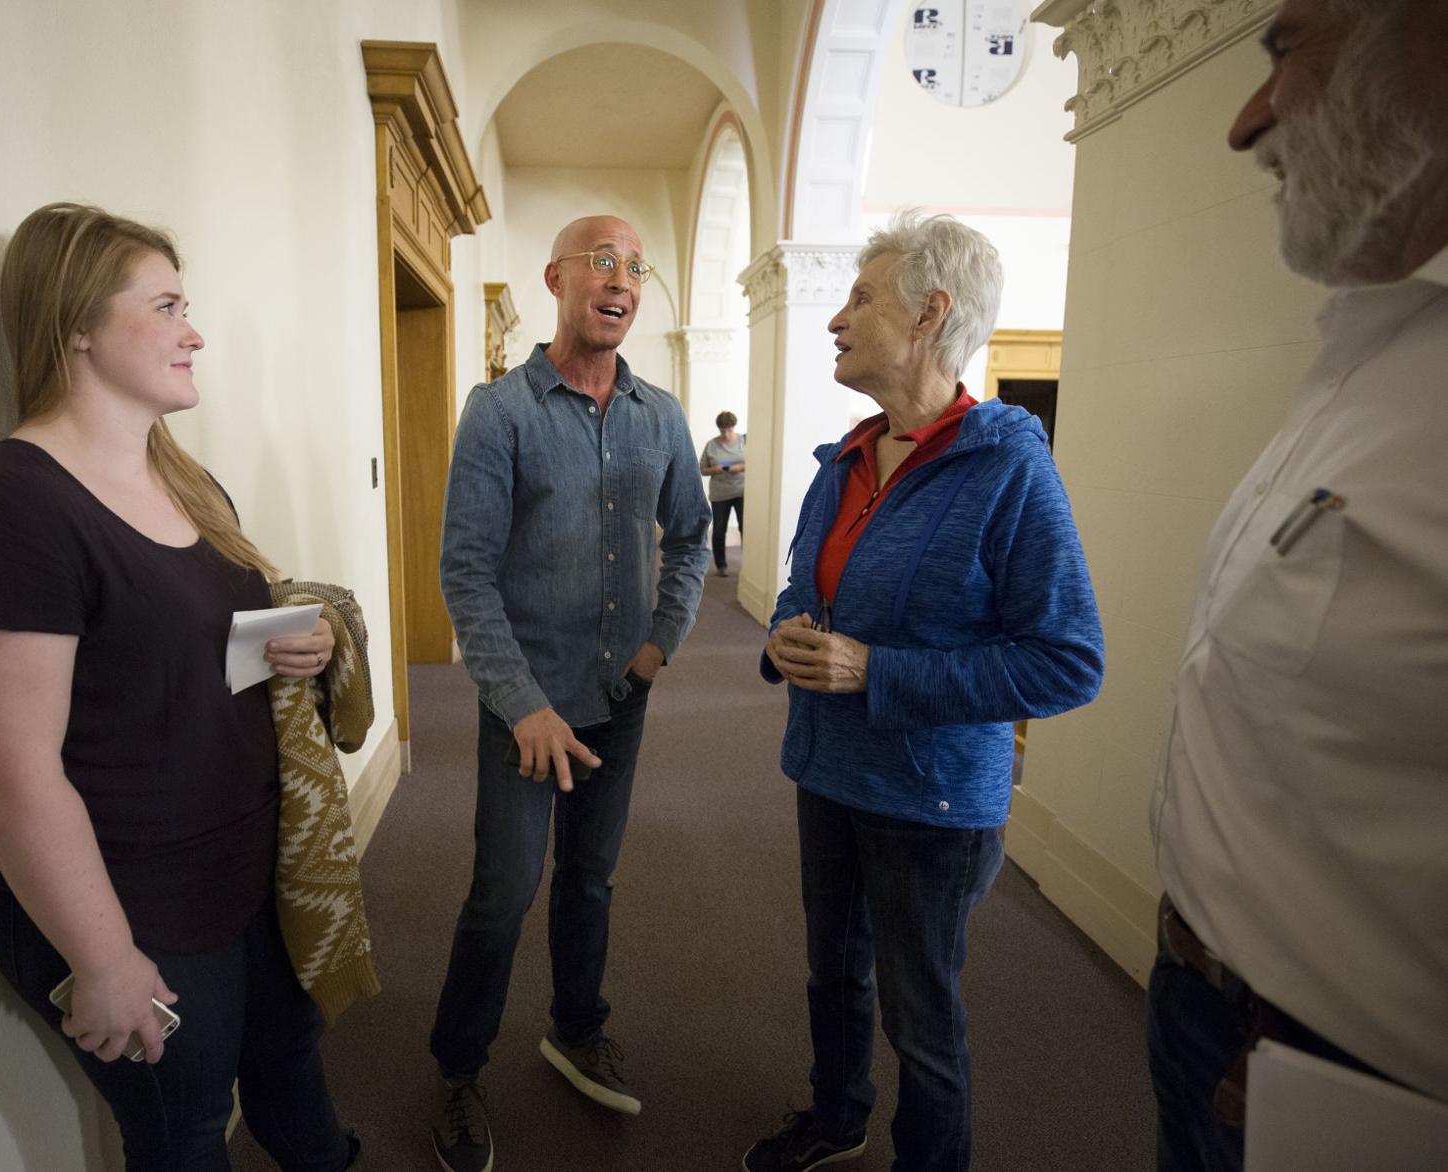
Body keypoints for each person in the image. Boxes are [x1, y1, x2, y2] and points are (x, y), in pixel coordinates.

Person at [0, 203, 357, 1170]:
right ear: (76, 321)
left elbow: (188, 657)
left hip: (246, 871)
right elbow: (12, 779)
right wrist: (104, 961)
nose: (195, 332)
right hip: (133, 903)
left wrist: (299, 644)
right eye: (167, 305)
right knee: (185, 1134)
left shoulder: (187, 482)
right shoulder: (9, 517)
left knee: (289, 1067)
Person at [1148, 1, 1448, 1167]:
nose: (1244, 123)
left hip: (1354, 1098)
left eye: (1285, 49)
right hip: (1208, 1019)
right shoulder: (1369, 352)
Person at [744, 211, 1103, 1172]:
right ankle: (837, 1117)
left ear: (930, 314)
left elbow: (1067, 661)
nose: (837, 317)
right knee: (834, 977)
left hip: (932, 802)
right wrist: (787, 632)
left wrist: (878, 670)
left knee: (922, 1018)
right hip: (829, 770)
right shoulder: (849, 457)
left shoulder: (1009, 471)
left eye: (861, 297)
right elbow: (802, 588)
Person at [429, 215, 710, 1172]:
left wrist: (656, 649)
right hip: (524, 707)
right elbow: (465, 573)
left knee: (591, 880)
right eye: (602, 261)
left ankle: (575, 1027)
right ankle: (458, 1072)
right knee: (504, 892)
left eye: (636, 266)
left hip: (616, 701)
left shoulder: (661, 416)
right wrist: (521, 702)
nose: (621, 279)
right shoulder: (500, 411)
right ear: (556, 278)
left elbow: (692, 541)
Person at [701, 410, 746, 576]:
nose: (726, 434)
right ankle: (721, 565)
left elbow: (756, 462)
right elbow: (702, 469)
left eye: (729, 430)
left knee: (745, 528)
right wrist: (717, 469)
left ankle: (747, 565)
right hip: (720, 493)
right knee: (719, 530)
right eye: (722, 430)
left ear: (734, 427)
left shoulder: (744, 441)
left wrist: (740, 467)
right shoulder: (711, 445)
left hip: (741, 491)